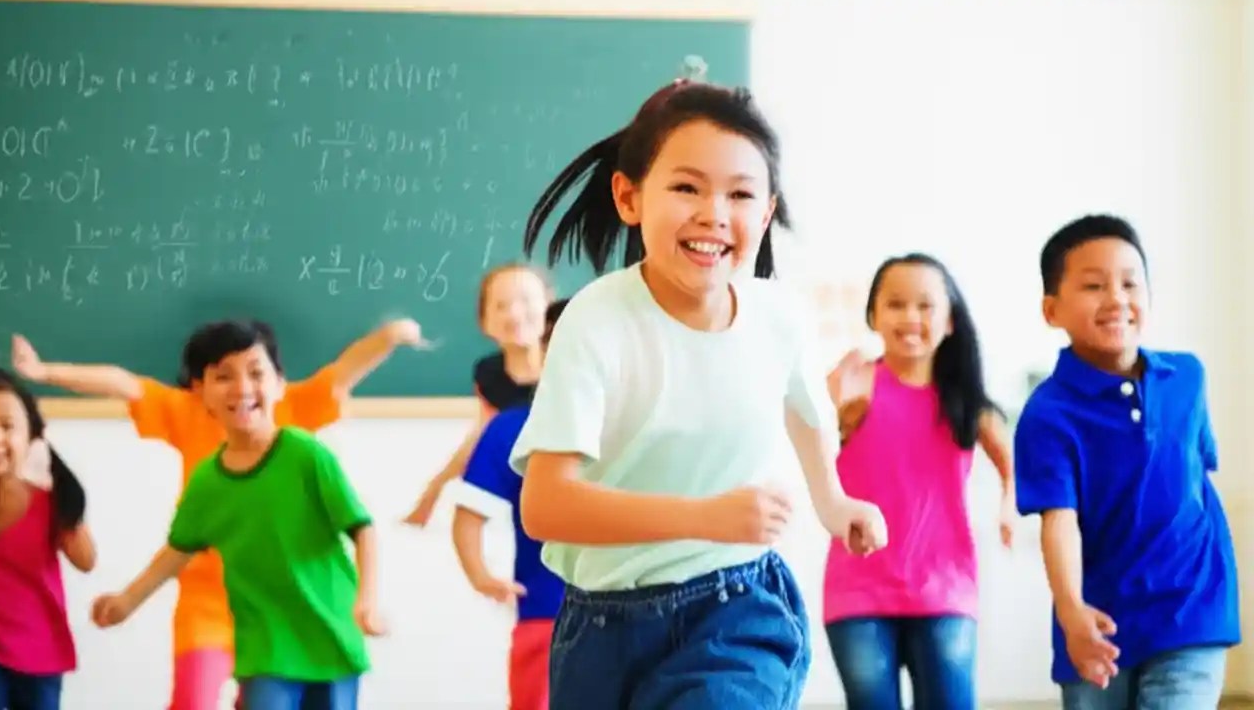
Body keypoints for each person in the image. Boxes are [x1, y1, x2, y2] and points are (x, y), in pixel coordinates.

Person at [511, 78, 888, 709]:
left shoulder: (778, 316)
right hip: (603, 629)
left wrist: (834, 501)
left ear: (765, 215)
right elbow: (546, 506)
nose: (715, 212)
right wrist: (703, 515)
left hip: (735, 607)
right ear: (629, 197)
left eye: (741, 194)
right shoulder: (596, 320)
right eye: (687, 187)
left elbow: (805, 410)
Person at [10, 317, 421, 710]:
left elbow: (344, 371)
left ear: (279, 383)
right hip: (213, 604)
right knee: (193, 700)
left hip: (305, 609)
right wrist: (44, 372)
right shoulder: (198, 447)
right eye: (223, 375)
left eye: (255, 372)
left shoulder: (298, 432)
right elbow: (125, 384)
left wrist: (389, 335)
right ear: (199, 389)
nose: (242, 388)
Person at [1013, 214, 1239, 707]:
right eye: (1093, 285)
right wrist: (1071, 610)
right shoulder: (1047, 412)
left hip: (1192, 610)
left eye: (1130, 283)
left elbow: (1197, 485)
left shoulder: (1187, 378)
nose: (1116, 298)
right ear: (1051, 309)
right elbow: (1060, 521)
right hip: (1098, 620)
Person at [822, 253, 1016, 709]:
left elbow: (1012, 464)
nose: (910, 317)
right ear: (874, 315)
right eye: (896, 304)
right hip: (858, 590)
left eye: (925, 306)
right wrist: (832, 410)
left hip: (945, 590)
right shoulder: (855, 385)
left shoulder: (967, 402)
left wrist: (1009, 506)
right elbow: (814, 455)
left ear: (950, 321)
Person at [451, 298, 570, 710]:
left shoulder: (636, 423)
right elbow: (468, 513)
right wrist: (481, 575)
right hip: (544, 616)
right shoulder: (513, 426)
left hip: (641, 616)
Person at [0, 367, 95, 709]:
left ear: (32, 437)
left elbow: (86, 561)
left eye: (7, 425)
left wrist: (64, 502)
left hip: (39, 649)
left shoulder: (47, 499)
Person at [403, 264, 551, 527]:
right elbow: (480, 438)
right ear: (484, 322)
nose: (515, 314)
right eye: (501, 305)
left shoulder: (571, 366)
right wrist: (431, 495)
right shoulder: (489, 375)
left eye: (526, 300)